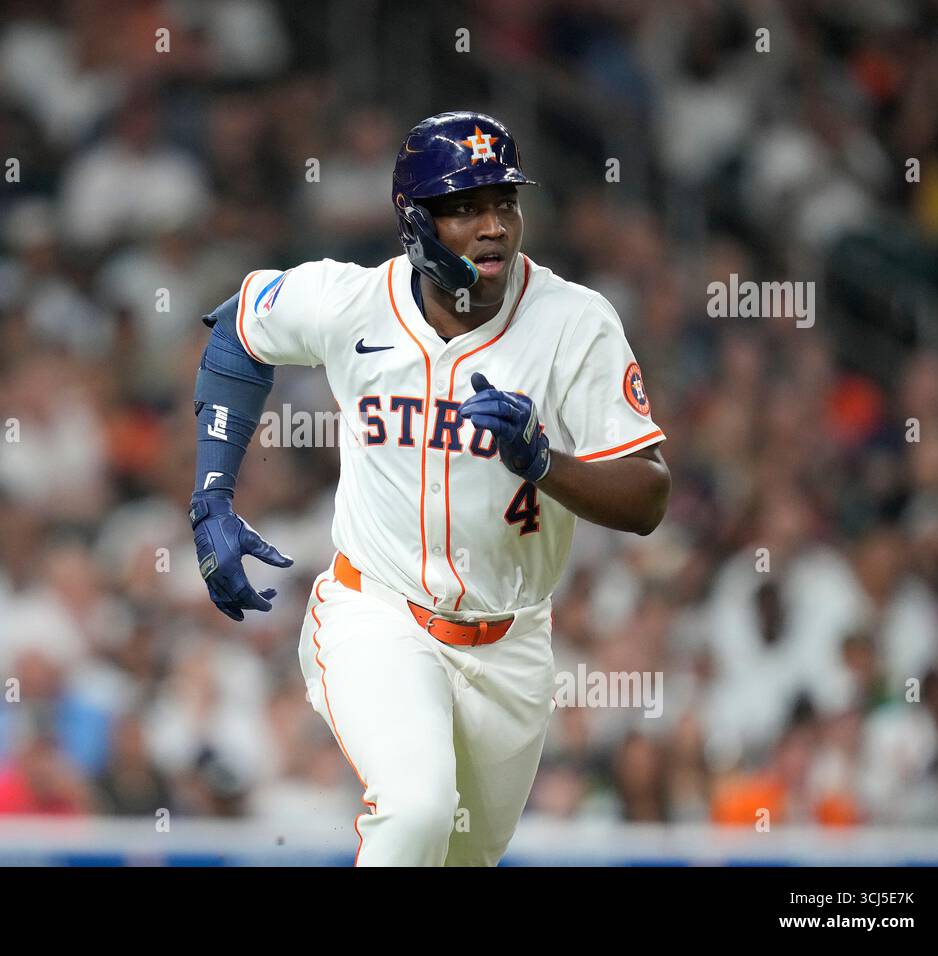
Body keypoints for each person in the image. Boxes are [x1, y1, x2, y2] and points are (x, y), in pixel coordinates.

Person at [188, 111, 671, 865]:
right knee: (413, 813)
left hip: (511, 642)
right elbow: (236, 331)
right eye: (464, 207)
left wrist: (543, 461)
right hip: (379, 611)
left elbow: (648, 498)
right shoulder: (351, 302)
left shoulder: (574, 323)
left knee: (459, 859)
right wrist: (211, 496)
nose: (492, 227)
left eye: (504, 202)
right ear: (413, 222)